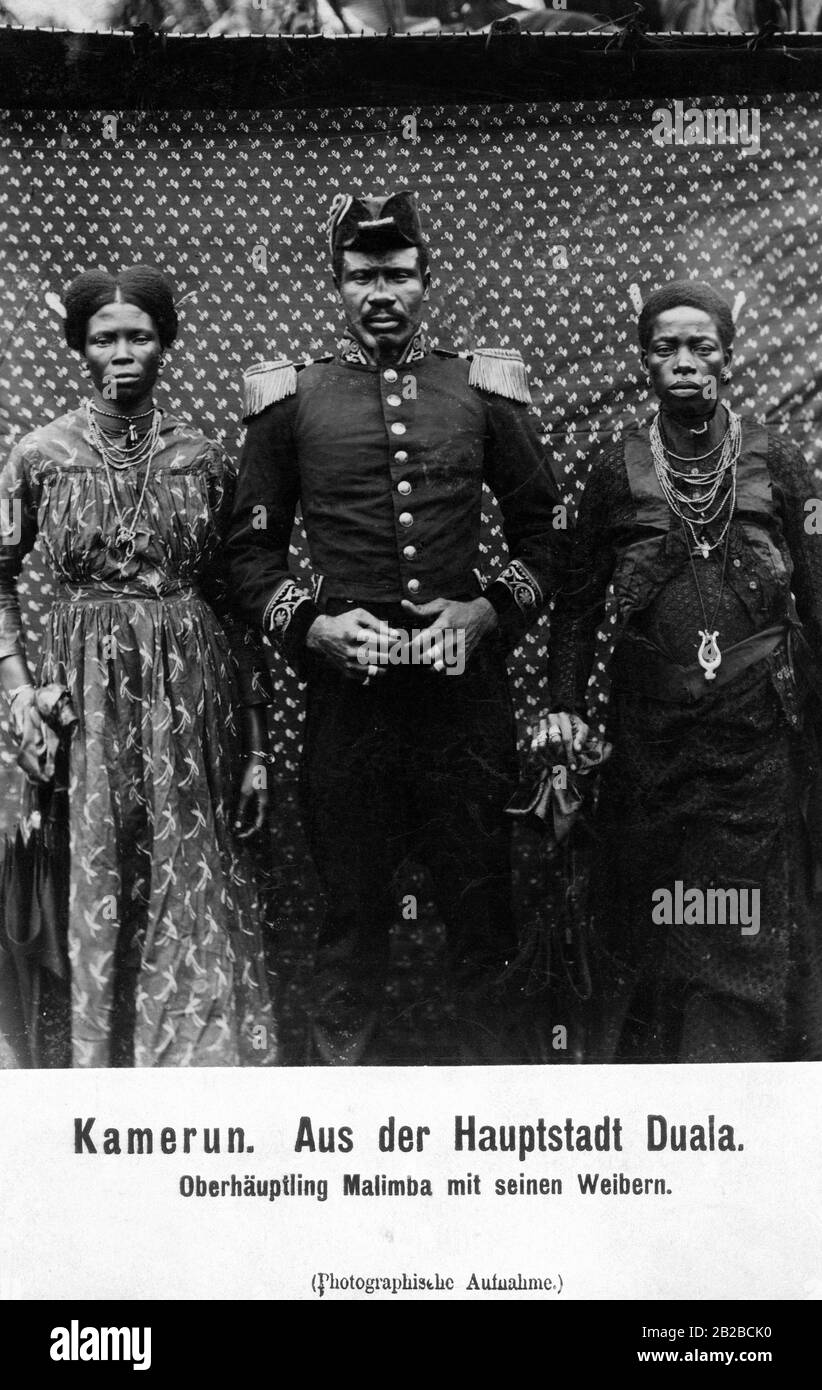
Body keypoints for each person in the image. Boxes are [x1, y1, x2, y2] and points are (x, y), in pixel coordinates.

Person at [226, 190, 569, 1063]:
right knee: (349, 930)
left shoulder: (479, 388)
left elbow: (550, 532)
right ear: (337, 286)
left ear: (427, 283)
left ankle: (504, 1134)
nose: (381, 292)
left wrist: (488, 611)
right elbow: (247, 557)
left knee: (484, 924)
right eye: (361, 276)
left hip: (463, 707)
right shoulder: (291, 401)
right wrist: (312, 628)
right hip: (351, 711)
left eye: (399, 275)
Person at [0, 265, 277, 1067]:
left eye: (139, 336)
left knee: (189, 864)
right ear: (80, 349)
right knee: (95, 857)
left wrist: (256, 746)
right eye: (104, 338)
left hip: (193, 693)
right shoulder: (38, 455)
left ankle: (191, 1063)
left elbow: (238, 599)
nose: (122, 353)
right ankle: (97, 1065)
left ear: (166, 343)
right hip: (81, 691)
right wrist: (21, 694)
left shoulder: (204, 459)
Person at [541, 279, 822, 1063]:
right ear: (644, 362)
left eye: (701, 346)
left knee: (743, 921)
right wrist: (562, 705)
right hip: (652, 739)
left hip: (754, 738)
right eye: (667, 347)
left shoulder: (777, 460)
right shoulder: (616, 468)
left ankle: (736, 1089)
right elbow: (576, 604)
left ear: (728, 358)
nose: (685, 361)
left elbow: (820, 593)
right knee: (661, 917)